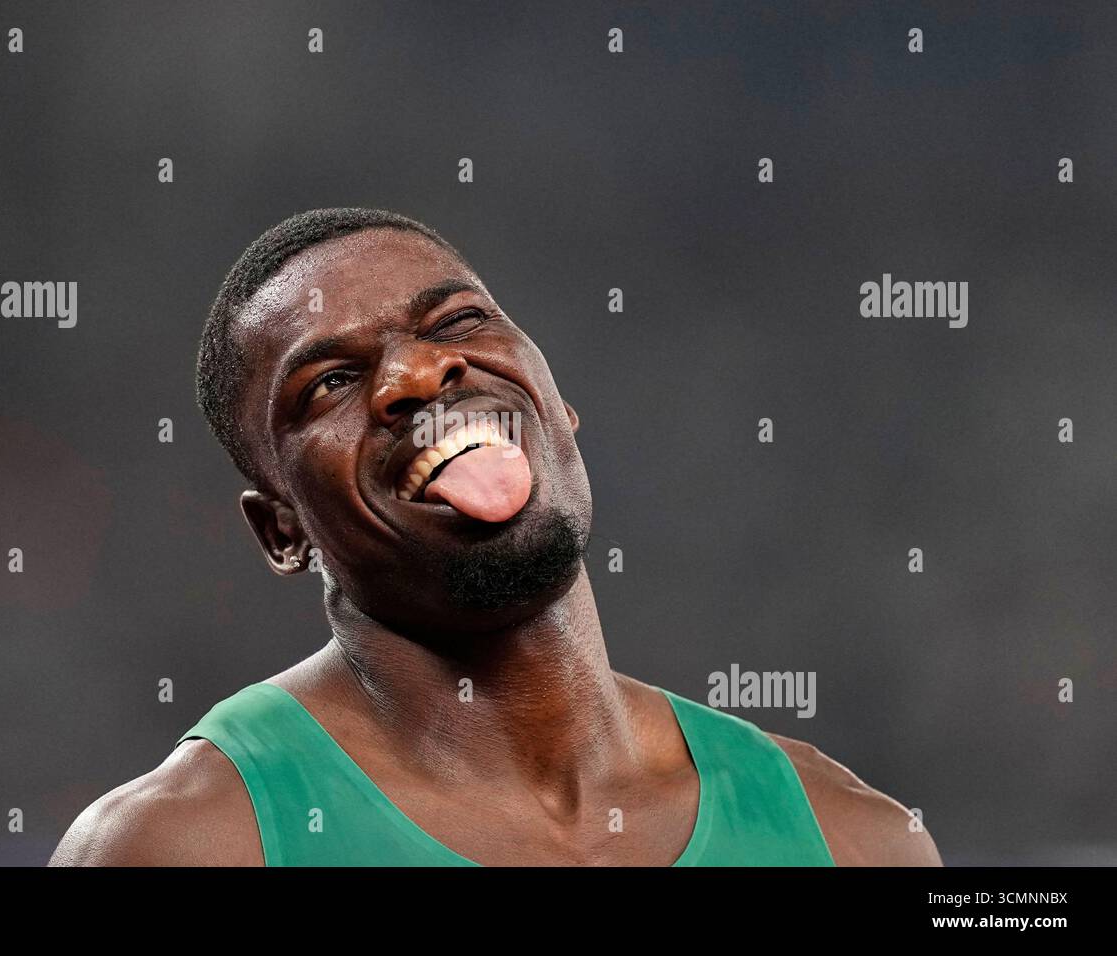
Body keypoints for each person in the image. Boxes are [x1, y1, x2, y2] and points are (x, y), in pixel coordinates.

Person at [50, 207, 942, 866]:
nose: (422, 371)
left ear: (558, 407)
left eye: (458, 323)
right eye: (328, 382)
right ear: (281, 529)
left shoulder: (850, 836)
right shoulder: (183, 845)